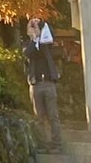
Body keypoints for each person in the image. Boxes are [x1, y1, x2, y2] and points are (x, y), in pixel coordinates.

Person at [23, 16, 62, 150]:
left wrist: (42, 23)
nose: (34, 30)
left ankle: (56, 144)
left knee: (53, 116)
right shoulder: (28, 45)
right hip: (36, 84)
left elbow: (51, 36)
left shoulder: (46, 43)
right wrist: (34, 39)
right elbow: (28, 53)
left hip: (49, 83)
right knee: (39, 117)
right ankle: (42, 144)